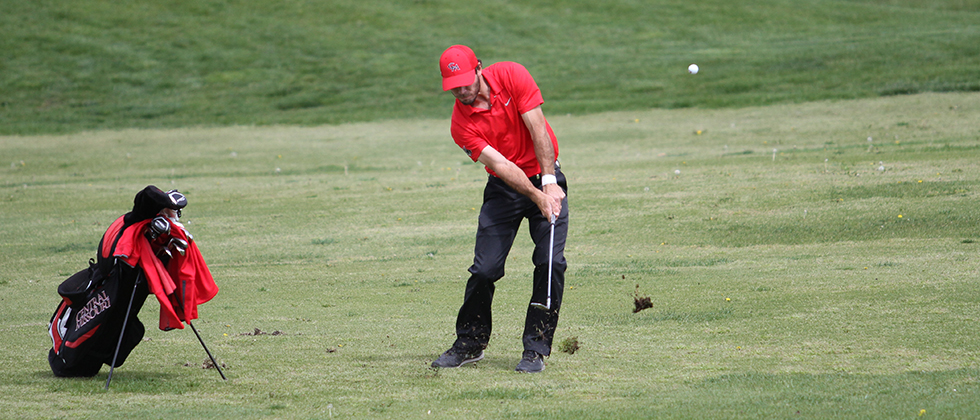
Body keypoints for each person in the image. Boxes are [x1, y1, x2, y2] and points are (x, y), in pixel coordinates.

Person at [431, 45, 569, 373]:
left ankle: (535, 349)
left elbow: (538, 128)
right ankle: (470, 343)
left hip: (547, 175)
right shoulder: (460, 126)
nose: (462, 91)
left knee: (550, 261)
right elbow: (502, 165)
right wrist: (537, 196)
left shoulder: (511, 74)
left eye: (466, 81)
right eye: (454, 86)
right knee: (484, 269)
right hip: (505, 189)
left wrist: (549, 182)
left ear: (479, 68)